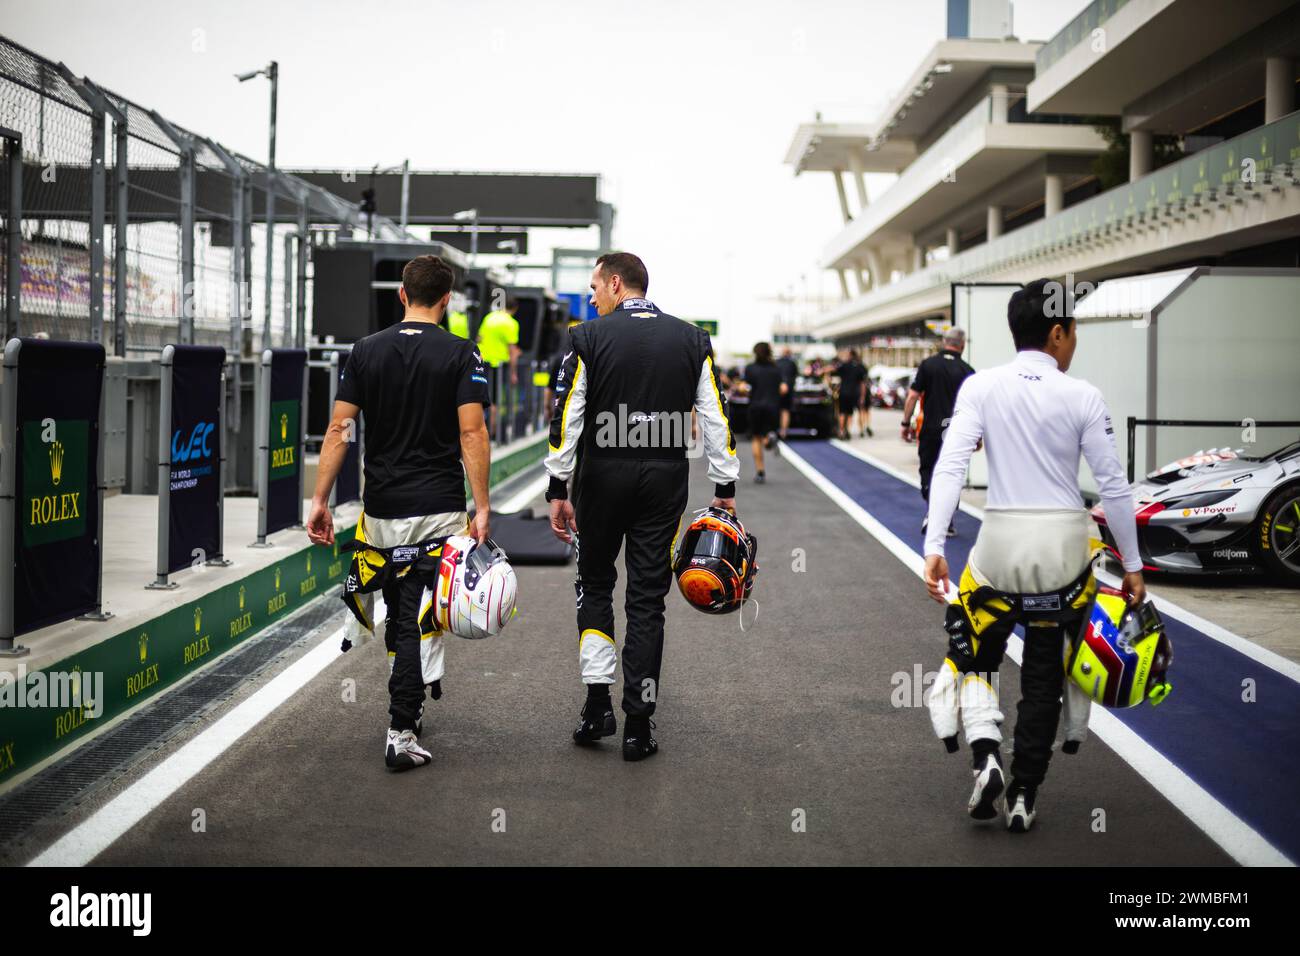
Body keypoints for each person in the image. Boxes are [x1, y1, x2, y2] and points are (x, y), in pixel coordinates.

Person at [921, 278, 1145, 832]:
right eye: (1074, 332)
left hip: (1000, 541)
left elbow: (951, 467)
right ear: (1056, 332)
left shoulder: (981, 387)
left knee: (975, 652)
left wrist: (934, 544)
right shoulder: (1084, 395)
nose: (1074, 344)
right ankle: (1024, 793)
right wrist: (1134, 566)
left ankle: (986, 757)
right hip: (1064, 548)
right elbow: (1114, 488)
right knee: (1045, 673)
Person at [546, 251, 739, 761]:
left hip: (601, 477)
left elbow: (567, 414)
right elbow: (715, 415)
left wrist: (557, 488)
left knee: (595, 584)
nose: (591, 298)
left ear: (615, 284)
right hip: (664, 478)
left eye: (594, 287)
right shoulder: (692, 338)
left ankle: (595, 707)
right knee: (648, 599)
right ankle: (637, 724)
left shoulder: (588, 337)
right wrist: (725, 486)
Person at [307, 255, 492, 772]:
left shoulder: (365, 351)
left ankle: (409, 704)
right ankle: (402, 728)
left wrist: (319, 499)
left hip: (383, 508)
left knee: (400, 609)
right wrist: (482, 505)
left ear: (401, 295)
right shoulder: (462, 353)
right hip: (438, 508)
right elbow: (471, 433)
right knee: (418, 614)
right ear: (448, 298)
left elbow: (340, 430)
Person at [902, 326, 975, 536]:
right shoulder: (967, 371)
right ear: (962, 345)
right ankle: (946, 519)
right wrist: (976, 436)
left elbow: (912, 396)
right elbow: (973, 407)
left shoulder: (928, 365)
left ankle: (934, 515)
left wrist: (905, 424)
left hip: (931, 428)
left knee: (929, 471)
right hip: (956, 432)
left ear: (944, 342)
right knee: (952, 474)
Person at [477, 296, 521, 437]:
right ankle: (492, 433)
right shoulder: (511, 323)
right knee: (494, 400)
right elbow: (512, 350)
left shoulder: (489, 318)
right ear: (514, 309)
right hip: (498, 366)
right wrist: (514, 373)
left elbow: (479, 339)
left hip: (481, 363)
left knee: (480, 397)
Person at [743, 341, 786, 483]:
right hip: (773, 406)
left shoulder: (750, 368)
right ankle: (770, 438)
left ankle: (760, 472)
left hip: (755, 406)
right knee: (767, 433)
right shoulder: (776, 369)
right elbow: (783, 389)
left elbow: (744, 387)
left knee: (756, 438)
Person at [834, 348, 870, 439]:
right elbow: (863, 384)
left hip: (843, 392)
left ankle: (842, 431)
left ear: (849, 355)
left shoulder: (843, 365)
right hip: (853, 393)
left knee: (842, 412)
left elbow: (834, 372)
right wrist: (862, 396)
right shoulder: (860, 366)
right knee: (850, 413)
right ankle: (848, 430)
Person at [775, 347, 798, 439]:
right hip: (788, 390)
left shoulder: (776, 363)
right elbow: (795, 375)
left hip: (776, 389)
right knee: (785, 411)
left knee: (776, 410)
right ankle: (783, 432)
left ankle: (774, 430)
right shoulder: (792, 363)